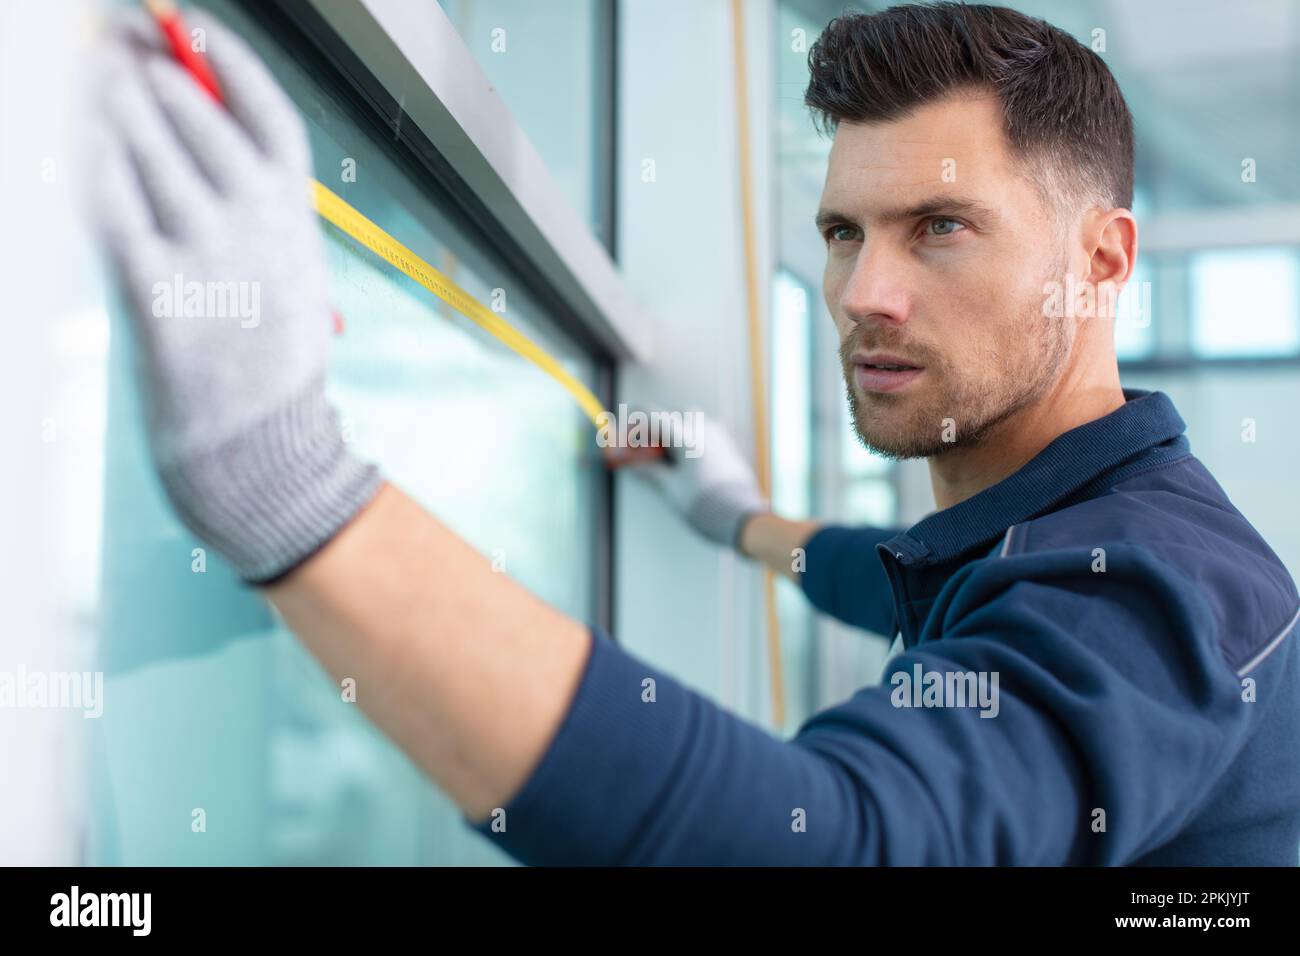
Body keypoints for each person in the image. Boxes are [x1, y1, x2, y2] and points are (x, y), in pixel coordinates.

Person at [93, 3, 1300, 865]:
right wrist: (737, 519)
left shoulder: (1153, 584)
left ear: (1100, 263)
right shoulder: (1062, 525)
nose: (862, 292)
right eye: (842, 232)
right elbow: (907, 589)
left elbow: (845, 841)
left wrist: (287, 484)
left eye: (938, 226)